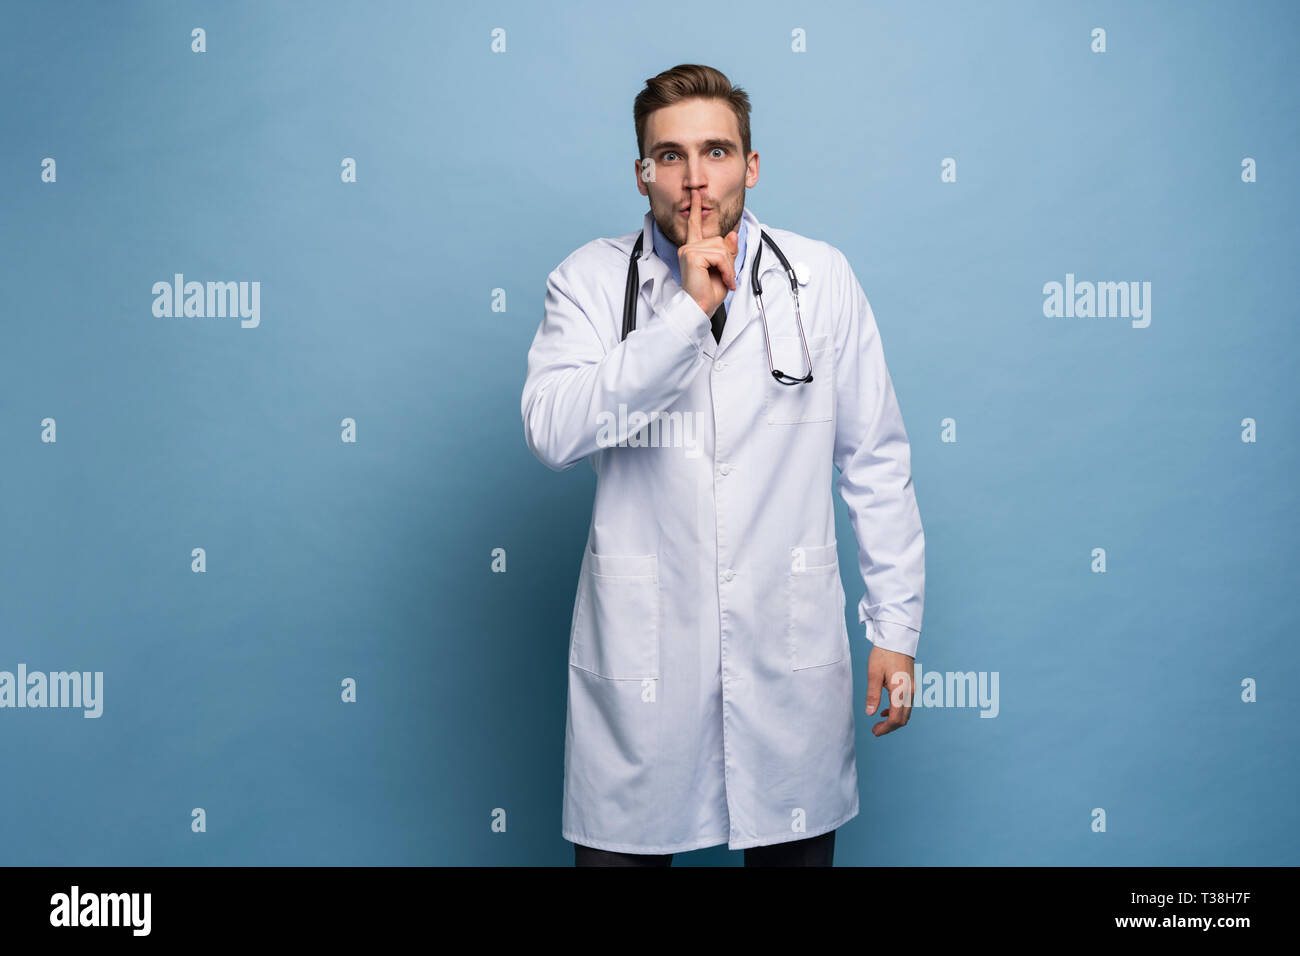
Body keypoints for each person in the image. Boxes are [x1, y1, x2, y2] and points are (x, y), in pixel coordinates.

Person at [521, 64, 926, 867]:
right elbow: (552, 430)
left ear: (752, 165)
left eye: (717, 150)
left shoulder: (822, 279)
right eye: (669, 156)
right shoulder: (590, 283)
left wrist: (895, 628)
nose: (696, 179)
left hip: (788, 650)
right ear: (641, 174)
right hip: (643, 668)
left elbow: (875, 460)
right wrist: (684, 317)